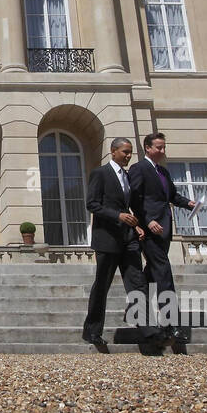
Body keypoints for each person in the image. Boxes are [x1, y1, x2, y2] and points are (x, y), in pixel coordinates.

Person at [128, 132, 200, 355]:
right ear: (147, 148)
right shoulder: (139, 169)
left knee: (151, 274)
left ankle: (136, 311)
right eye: (158, 147)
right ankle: (172, 325)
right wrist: (146, 221)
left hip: (164, 230)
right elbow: (134, 199)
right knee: (163, 272)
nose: (162, 151)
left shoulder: (163, 172)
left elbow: (171, 196)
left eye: (163, 147)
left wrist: (189, 203)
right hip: (151, 230)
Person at [80, 137, 150, 354]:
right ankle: (92, 330)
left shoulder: (127, 177)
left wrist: (135, 224)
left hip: (128, 239)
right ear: (113, 151)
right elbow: (92, 204)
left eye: (130, 152)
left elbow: (124, 205)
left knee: (137, 283)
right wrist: (118, 216)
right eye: (125, 152)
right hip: (107, 238)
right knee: (102, 285)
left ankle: (148, 330)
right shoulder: (100, 173)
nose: (128, 156)